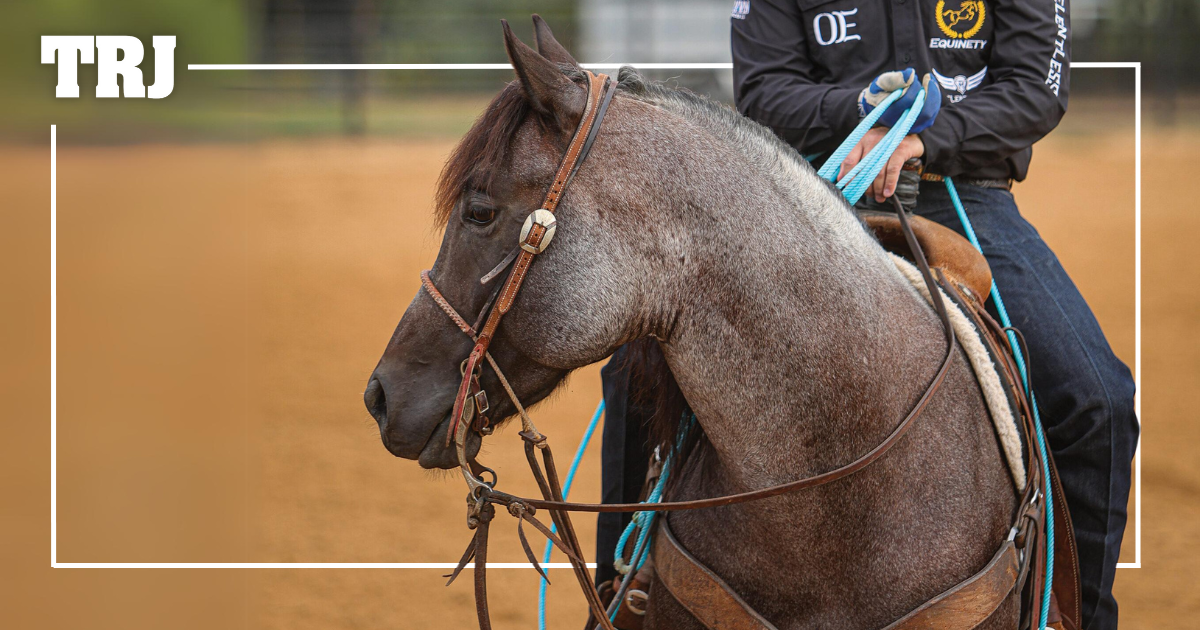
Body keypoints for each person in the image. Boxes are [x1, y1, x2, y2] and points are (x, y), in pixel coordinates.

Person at [596, 1, 1139, 629]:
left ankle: (1075, 615)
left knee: (1095, 401)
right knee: (634, 369)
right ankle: (622, 594)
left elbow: (1033, 90)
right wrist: (863, 114)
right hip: (813, 193)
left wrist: (923, 140)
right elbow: (765, 90)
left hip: (964, 192)